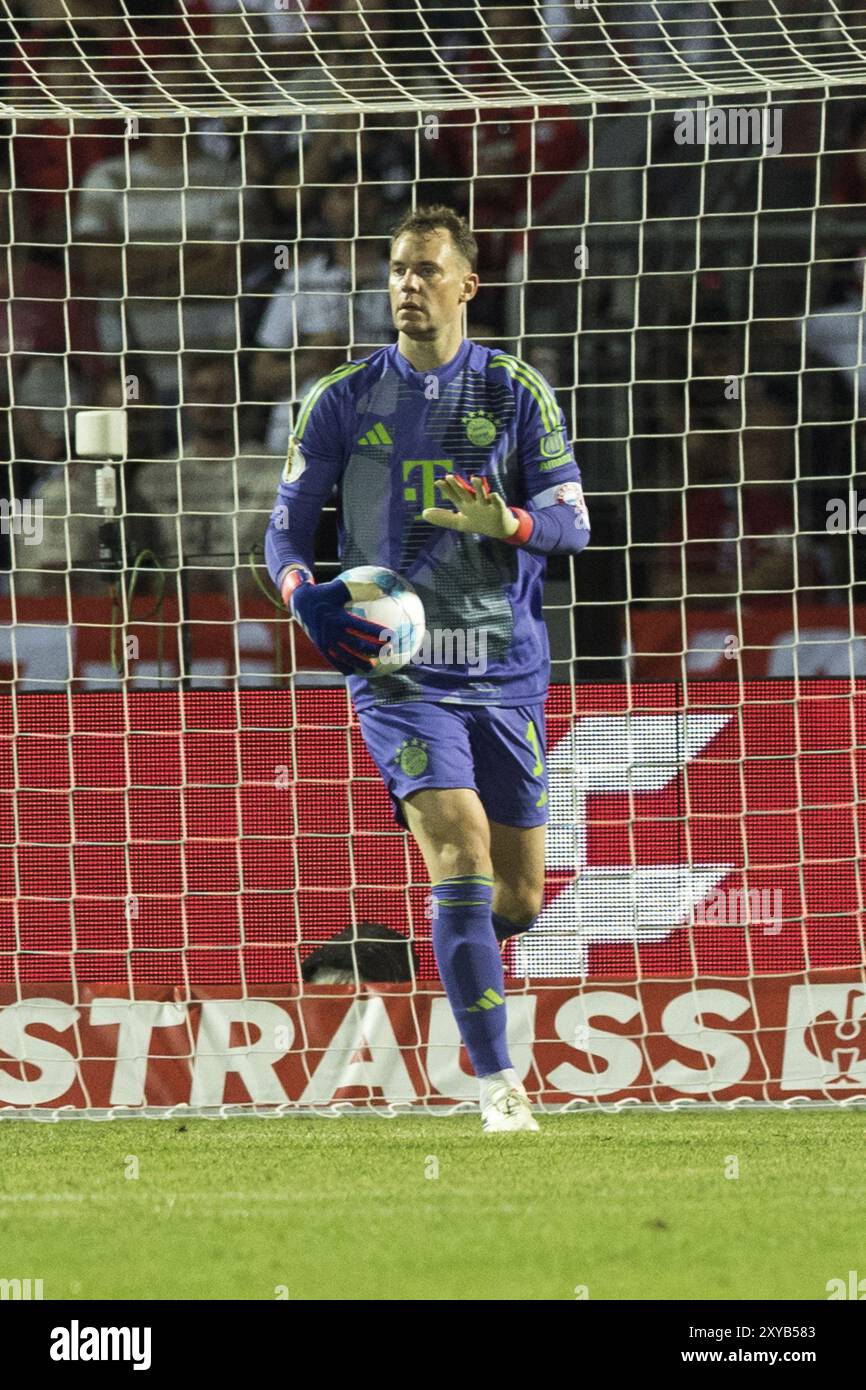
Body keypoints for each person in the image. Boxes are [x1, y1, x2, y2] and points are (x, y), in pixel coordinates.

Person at [264, 204, 590, 1132]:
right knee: (461, 853)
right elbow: (284, 527)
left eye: (425, 270)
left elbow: (575, 524)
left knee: (516, 899)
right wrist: (303, 594)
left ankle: (428, 957)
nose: (408, 285)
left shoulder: (517, 392)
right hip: (400, 673)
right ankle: (500, 1091)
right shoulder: (342, 397)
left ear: (465, 285)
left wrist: (510, 522)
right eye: (398, 269)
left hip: (506, 667)